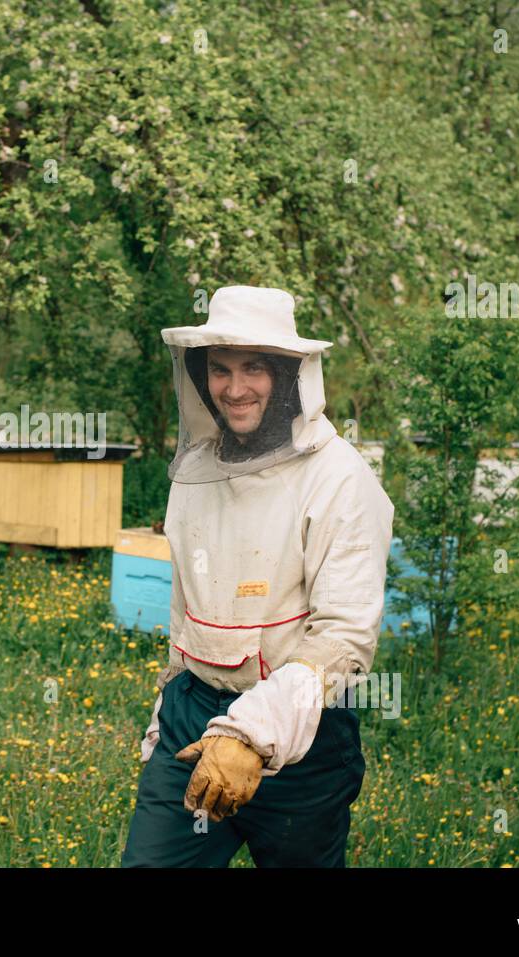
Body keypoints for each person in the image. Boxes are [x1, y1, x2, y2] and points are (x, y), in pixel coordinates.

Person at [120, 285, 394, 868]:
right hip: (191, 719)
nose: (234, 388)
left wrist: (249, 733)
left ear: (289, 375)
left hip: (305, 733)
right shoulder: (196, 470)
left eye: (253, 369)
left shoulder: (340, 479)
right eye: (220, 369)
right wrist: (169, 700)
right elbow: (187, 608)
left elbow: (344, 637)